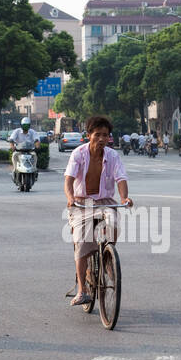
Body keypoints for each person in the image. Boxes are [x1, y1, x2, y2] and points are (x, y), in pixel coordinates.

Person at [64, 115, 131, 306]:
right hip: (81, 202)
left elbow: (121, 178)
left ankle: (107, 258)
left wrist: (124, 198)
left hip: (105, 201)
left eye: (106, 135)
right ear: (89, 135)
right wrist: (70, 199)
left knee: (113, 223)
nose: (102, 139)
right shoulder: (78, 154)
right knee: (82, 243)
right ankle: (82, 290)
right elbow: (68, 180)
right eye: (98, 135)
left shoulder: (113, 156)